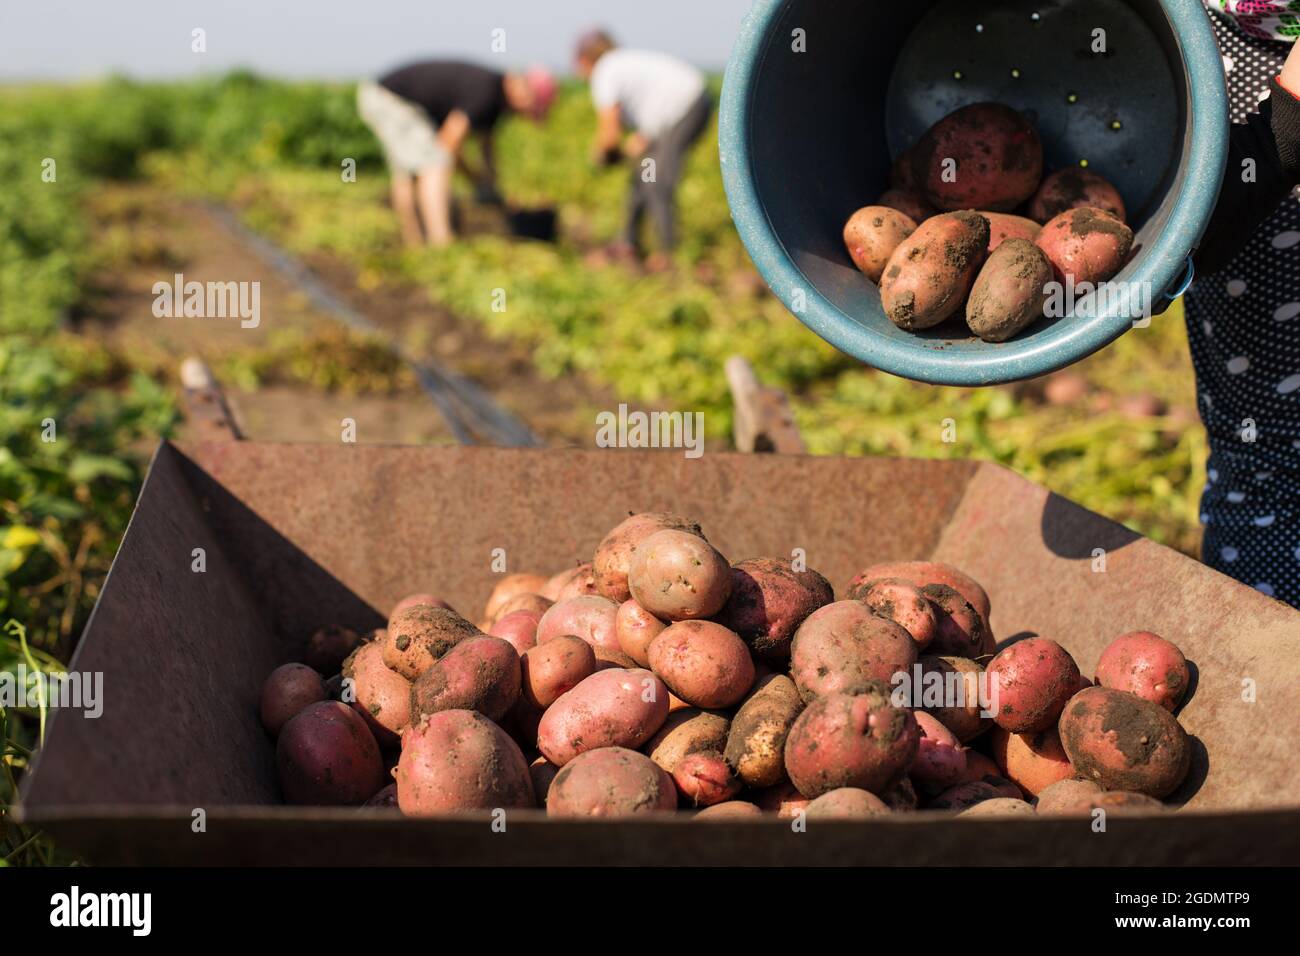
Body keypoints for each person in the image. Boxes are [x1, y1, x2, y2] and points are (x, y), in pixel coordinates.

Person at [1180, 2, 1300, 606]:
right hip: (1227, 56)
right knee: (1260, 441)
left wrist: (1284, 130)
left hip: (1287, 95)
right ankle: (1264, 669)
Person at [358, 60, 557, 247]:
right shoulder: (485, 93)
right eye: (529, 108)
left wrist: (489, 184)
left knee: (408, 170)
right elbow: (448, 143)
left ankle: (415, 243)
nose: (523, 114)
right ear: (523, 92)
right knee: (434, 163)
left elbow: (486, 147)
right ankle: (441, 242)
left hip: (382, 95)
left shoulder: (496, 103)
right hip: (390, 99)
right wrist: (473, 178)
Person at [574, 31, 713, 271]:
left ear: (584, 61)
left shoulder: (605, 72)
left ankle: (669, 254)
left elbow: (609, 135)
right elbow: (649, 111)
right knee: (642, 173)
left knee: (657, 181)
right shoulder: (621, 64)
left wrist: (600, 157)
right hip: (681, 107)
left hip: (686, 106)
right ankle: (629, 243)